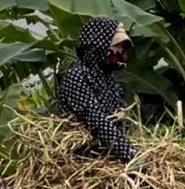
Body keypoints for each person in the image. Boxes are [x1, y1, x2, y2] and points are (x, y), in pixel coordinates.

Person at [57, 17, 138, 162]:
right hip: (82, 157)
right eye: (117, 45)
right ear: (98, 44)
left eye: (124, 48)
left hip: (108, 153)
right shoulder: (77, 76)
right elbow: (97, 120)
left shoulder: (109, 81)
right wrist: (129, 154)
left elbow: (118, 121)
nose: (121, 52)